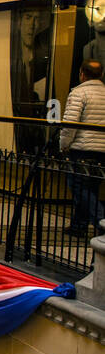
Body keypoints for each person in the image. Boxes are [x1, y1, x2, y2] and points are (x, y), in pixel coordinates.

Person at [60, 60, 105, 236]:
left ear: (82, 74)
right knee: (91, 186)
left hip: (83, 148)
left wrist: (64, 145)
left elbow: (70, 124)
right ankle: (78, 225)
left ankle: (101, 223)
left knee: (79, 186)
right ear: (100, 75)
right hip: (102, 150)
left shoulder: (79, 93)